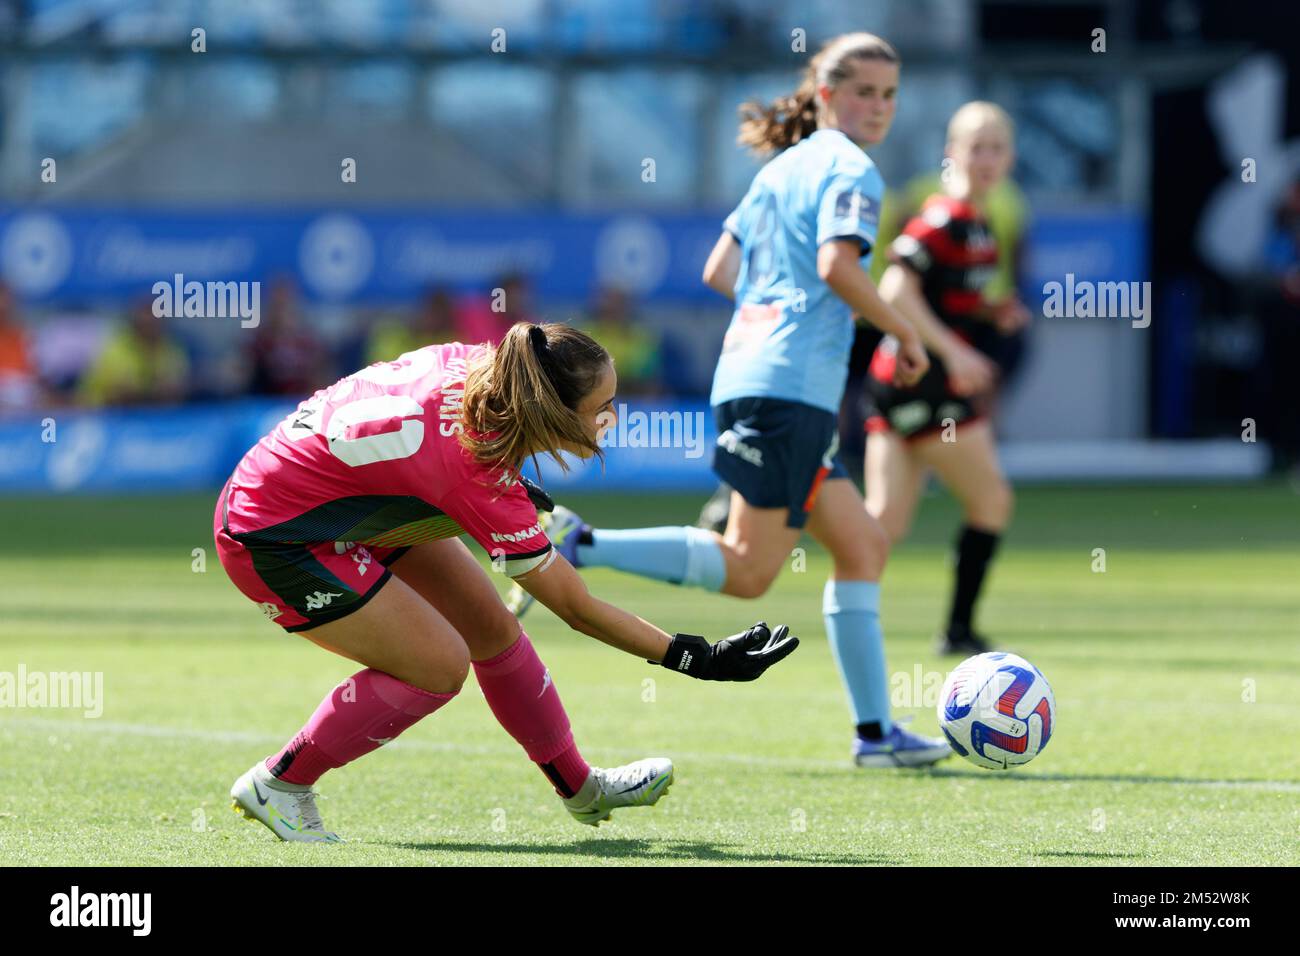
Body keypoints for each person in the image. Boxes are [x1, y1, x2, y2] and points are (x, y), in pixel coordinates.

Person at [509, 33, 958, 769]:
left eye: (889, 94)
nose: (877, 107)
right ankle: (579, 545)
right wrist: (904, 331)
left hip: (755, 374)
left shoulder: (783, 169)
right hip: (789, 390)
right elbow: (836, 265)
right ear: (823, 94)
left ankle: (876, 736)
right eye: (863, 92)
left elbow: (722, 269)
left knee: (862, 544)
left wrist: (774, 310)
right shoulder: (851, 169)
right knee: (750, 572)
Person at [216, 322, 798, 843]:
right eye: (604, 405)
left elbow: (418, 445)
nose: (611, 418)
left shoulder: (484, 369)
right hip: (272, 535)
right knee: (439, 666)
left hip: (338, 501)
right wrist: (695, 656)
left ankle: (581, 789)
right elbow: (577, 607)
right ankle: (280, 783)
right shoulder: (476, 470)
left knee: (491, 631)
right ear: (552, 409)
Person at [862, 101, 1031, 655]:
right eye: (975, 146)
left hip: (899, 380)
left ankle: (852, 621)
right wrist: (957, 352)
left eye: (996, 147)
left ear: (1009, 158)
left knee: (883, 525)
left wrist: (989, 312)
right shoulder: (945, 216)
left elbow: (942, 297)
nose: (986, 158)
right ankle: (958, 630)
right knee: (992, 500)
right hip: (924, 383)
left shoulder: (980, 220)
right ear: (951, 153)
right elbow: (895, 288)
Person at [77, 299, 190, 406]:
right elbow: (122, 393)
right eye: (146, 317)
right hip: (103, 415)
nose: (150, 322)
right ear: (135, 322)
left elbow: (174, 389)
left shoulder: (171, 350)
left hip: (157, 417)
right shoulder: (115, 349)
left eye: (155, 317)